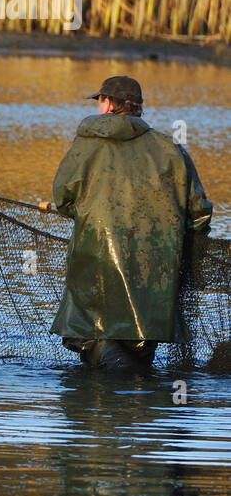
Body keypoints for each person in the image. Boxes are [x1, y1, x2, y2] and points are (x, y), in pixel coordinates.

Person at [52, 76, 213, 371]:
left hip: (97, 265)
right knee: (138, 356)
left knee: (101, 350)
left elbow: (63, 199)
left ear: (110, 103)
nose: (98, 106)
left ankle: (112, 372)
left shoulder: (87, 144)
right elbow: (199, 213)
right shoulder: (170, 147)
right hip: (155, 279)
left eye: (100, 100)